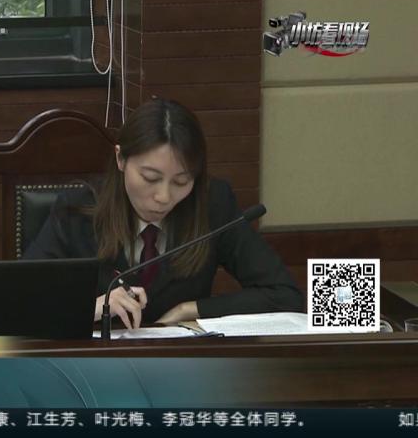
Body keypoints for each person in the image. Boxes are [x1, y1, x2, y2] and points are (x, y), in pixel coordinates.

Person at [24, 98, 303, 329]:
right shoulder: (76, 211)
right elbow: (19, 304)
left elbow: (286, 296)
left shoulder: (212, 204)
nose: (164, 197)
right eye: (150, 177)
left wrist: (190, 309)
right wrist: (92, 307)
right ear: (121, 159)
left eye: (181, 181)